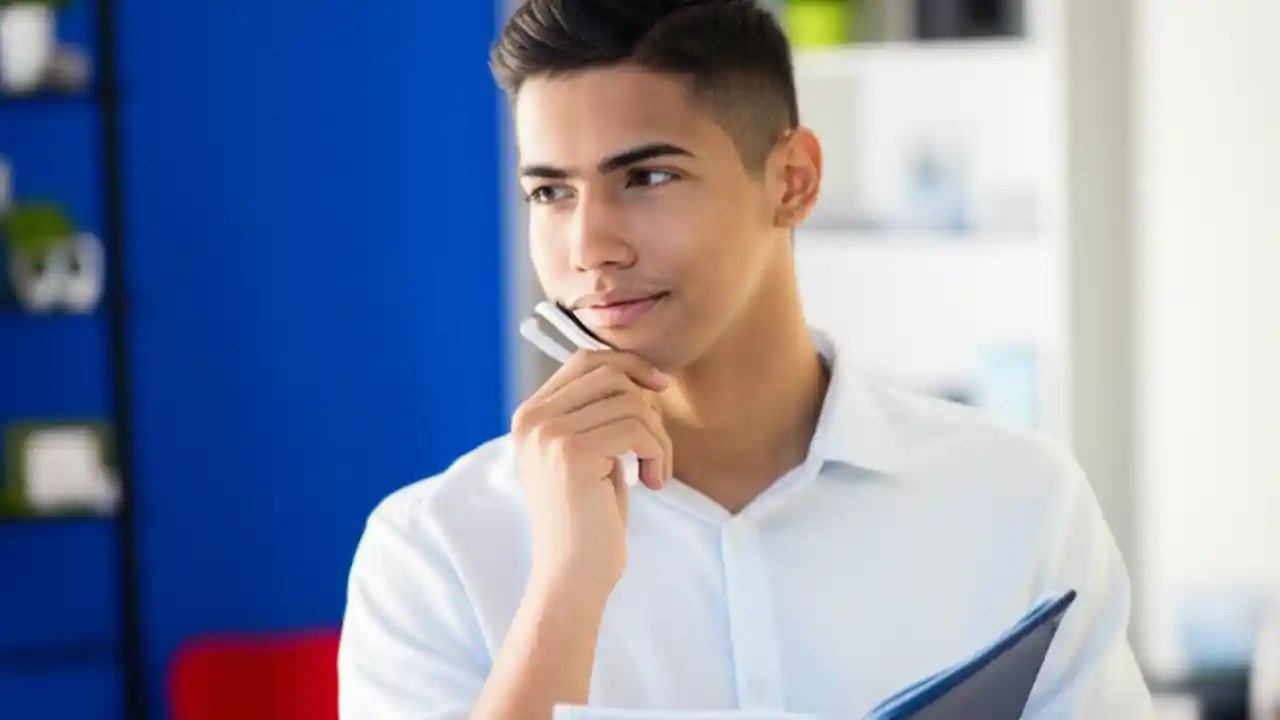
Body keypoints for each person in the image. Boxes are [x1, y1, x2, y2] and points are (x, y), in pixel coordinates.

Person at [338, 1, 1154, 717]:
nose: (589, 247)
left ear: (793, 180)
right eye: (551, 192)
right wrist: (565, 589)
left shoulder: (1018, 502)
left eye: (648, 176)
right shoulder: (435, 550)